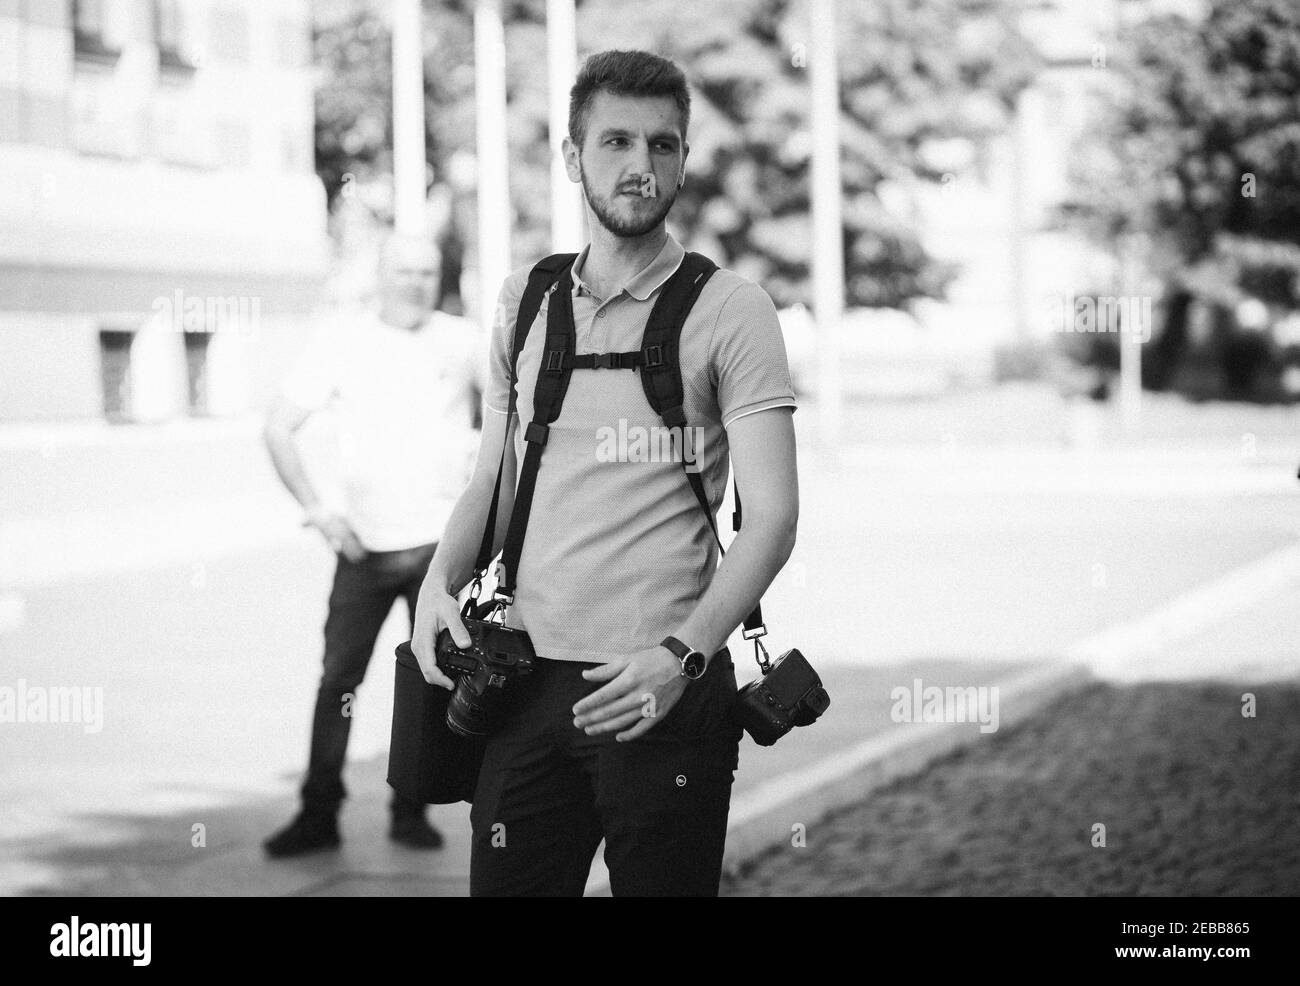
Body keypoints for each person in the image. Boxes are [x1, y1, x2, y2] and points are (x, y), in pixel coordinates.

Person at [411, 50, 800, 896]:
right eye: (616, 141)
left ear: (685, 160)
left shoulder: (731, 310)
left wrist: (683, 658)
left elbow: (771, 521)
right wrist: (438, 586)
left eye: (664, 146)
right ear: (572, 157)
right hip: (525, 687)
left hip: (665, 688)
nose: (641, 166)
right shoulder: (526, 302)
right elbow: (493, 480)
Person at [263, 234, 483, 857]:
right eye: (403, 271)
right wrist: (319, 512)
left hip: (440, 551)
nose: (415, 282)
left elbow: (507, 425)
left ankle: (411, 810)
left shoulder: (462, 340)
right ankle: (318, 813)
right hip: (363, 549)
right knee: (338, 681)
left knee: (430, 680)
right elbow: (278, 427)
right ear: (380, 276)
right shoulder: (342, 339)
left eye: (426, 272)